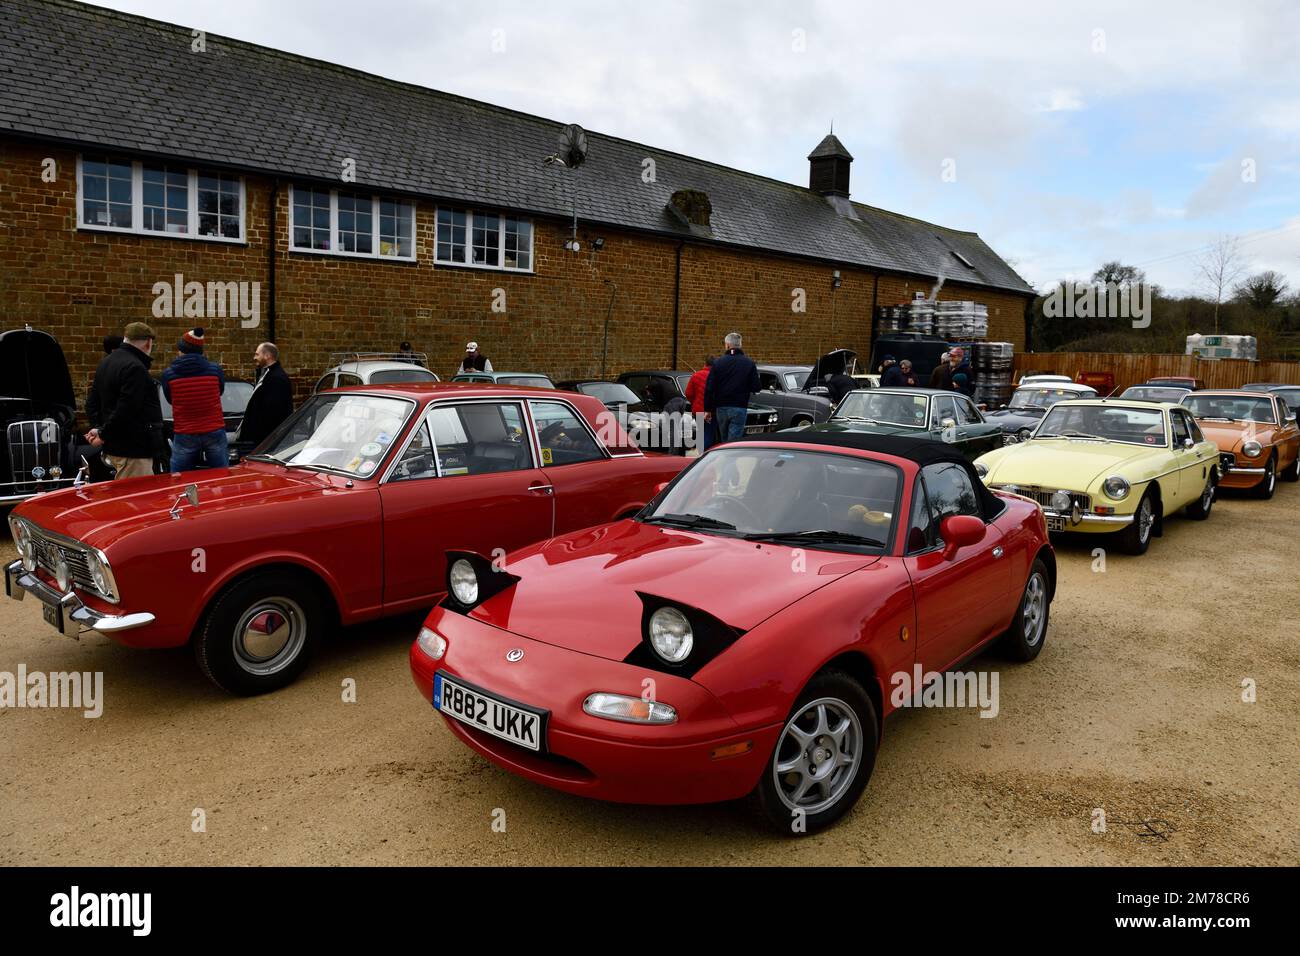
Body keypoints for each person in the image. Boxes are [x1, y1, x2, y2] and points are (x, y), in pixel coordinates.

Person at [84, 322, 164, 479]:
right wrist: (103, 434)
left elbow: (94, 403)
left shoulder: (106, 362)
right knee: (137, 498)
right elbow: (127, 410)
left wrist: (100, 429)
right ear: (148, 342)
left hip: (117, 447)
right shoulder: (135, 367)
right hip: (134, 449)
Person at [161, 327, 227, 472]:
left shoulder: (169, 374)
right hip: (213, 428)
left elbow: (170, 399)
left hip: (185, 431)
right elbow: (220, 391)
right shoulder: (215, 370)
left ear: (182, 350)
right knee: (221, 474)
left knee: (179, 477)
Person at [704, 332, 760, 445]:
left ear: (728, 345)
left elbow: (709, 388)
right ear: (740, 345)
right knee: (734, 442)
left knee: (724, 440)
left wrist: (708, 409)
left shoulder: (718, 363)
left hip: (721, 407)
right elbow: (756, 387)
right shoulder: (749, 363)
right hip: (739, 406)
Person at [238, 342, 294, 448]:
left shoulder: (276, 378)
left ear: (267, 356)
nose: (254, 357)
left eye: (257, 354)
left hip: (266, 440)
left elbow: (273, 412)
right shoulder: (268, 374)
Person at [684, 356, 714, 450]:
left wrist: (694, 403)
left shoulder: (696, 375)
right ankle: (704, 455)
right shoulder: (716, 376)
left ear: (705, 364)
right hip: (711, 411)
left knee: (700, 433)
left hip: (698, 411)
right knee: (709, 434)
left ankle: (699, 453)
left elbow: (688, 393)